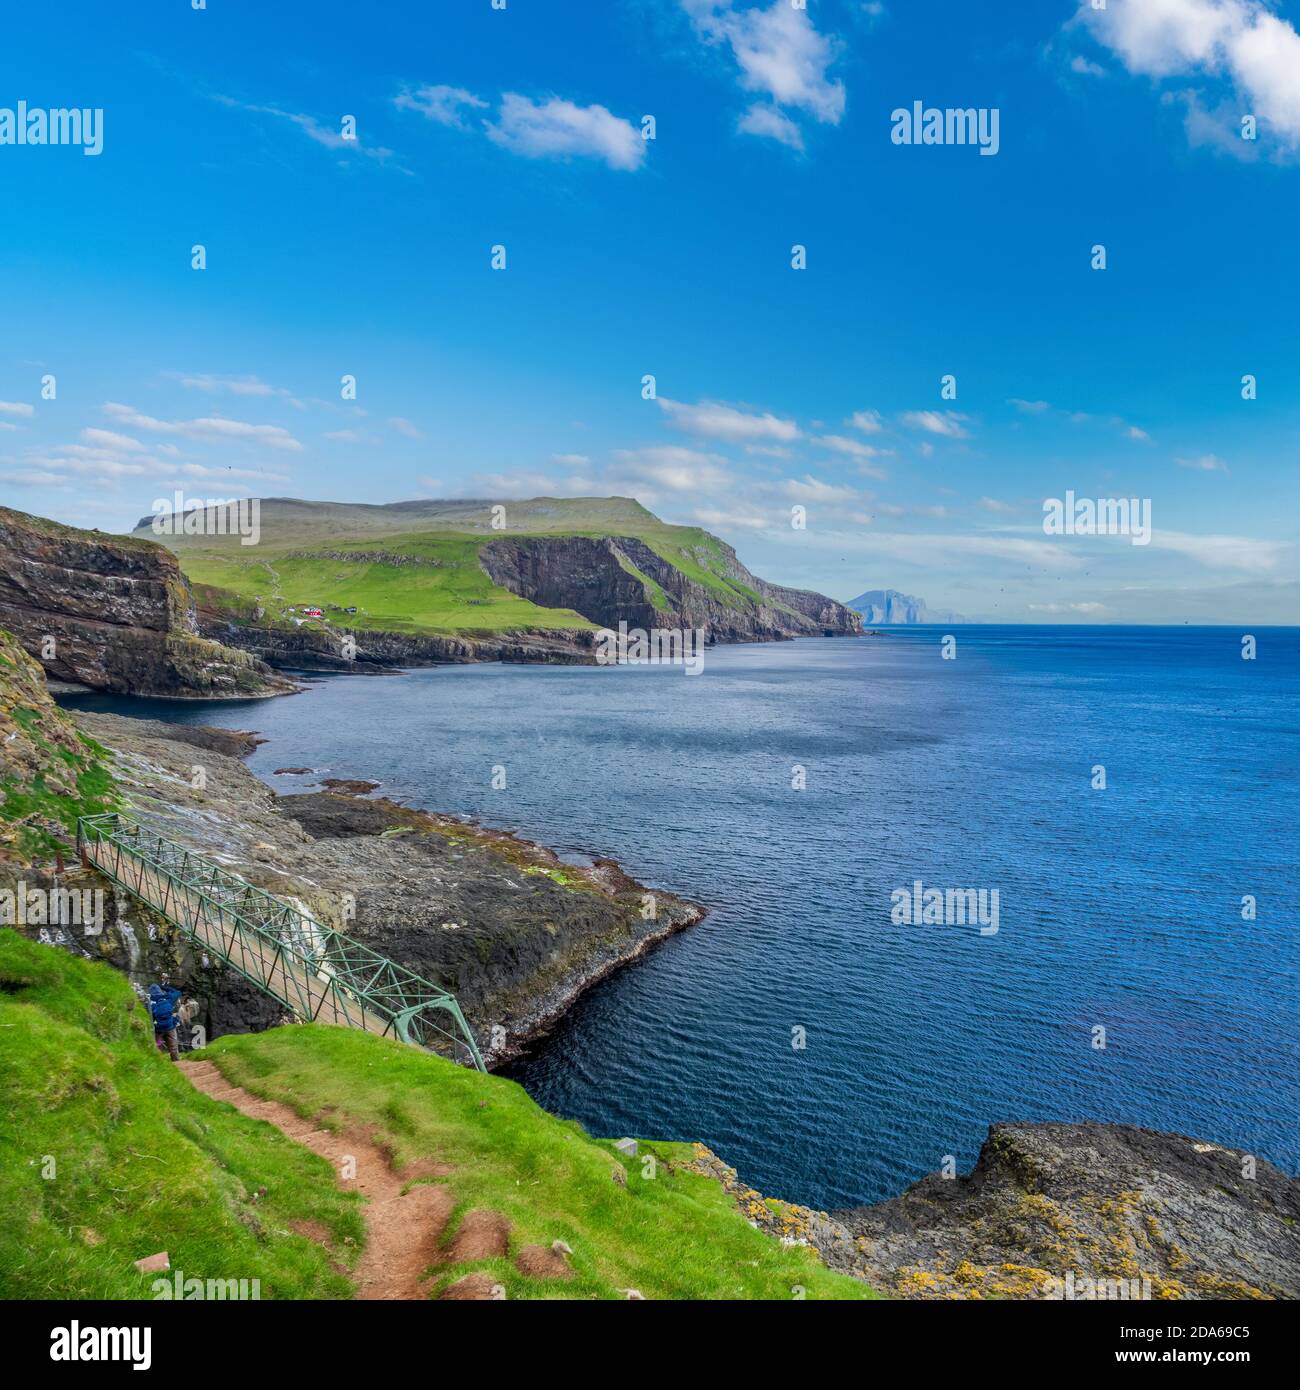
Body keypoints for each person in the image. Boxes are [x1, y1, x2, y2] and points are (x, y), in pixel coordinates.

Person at [148, 983, 183, 1062]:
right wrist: (162, 986)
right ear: (160, 991)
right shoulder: (168, 998)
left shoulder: (150, 1003)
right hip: (170, 1028)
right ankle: (176, 1061)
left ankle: (158, 1062)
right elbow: (177, 992)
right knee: (173, 1046)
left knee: (157, 1045)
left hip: (158, 1030)